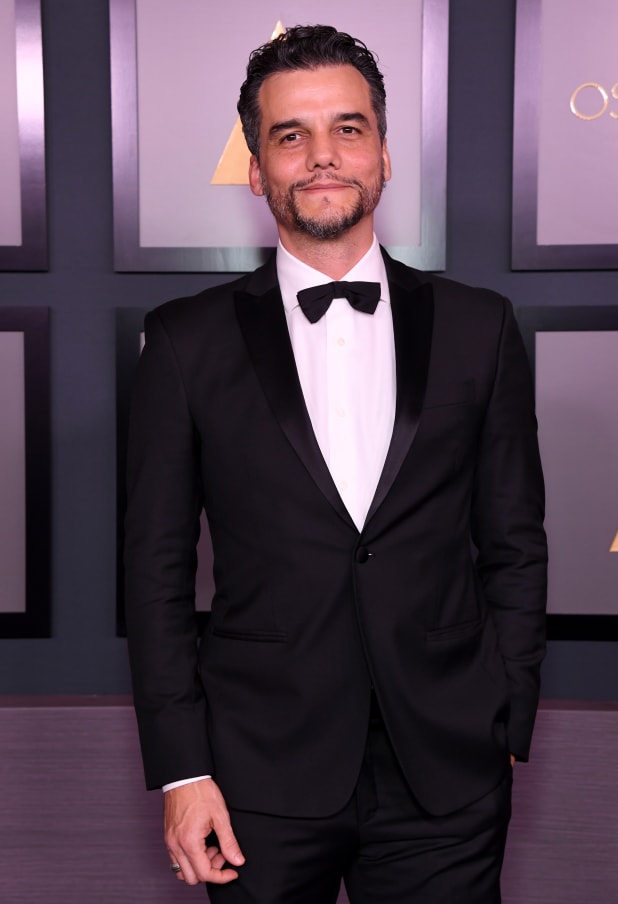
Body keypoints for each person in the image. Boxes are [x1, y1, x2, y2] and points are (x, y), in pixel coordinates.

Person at [124, 24, 547, 904]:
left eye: (348, 129)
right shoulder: (183, 341)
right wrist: (180, 771)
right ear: (257, 169)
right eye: (291, 135)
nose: (323, 157)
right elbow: (154, 575)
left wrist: (506, 708)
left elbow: (513, 541)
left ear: (385, 154)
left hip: (448, 768)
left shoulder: (480, 326)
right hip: (252, 774)